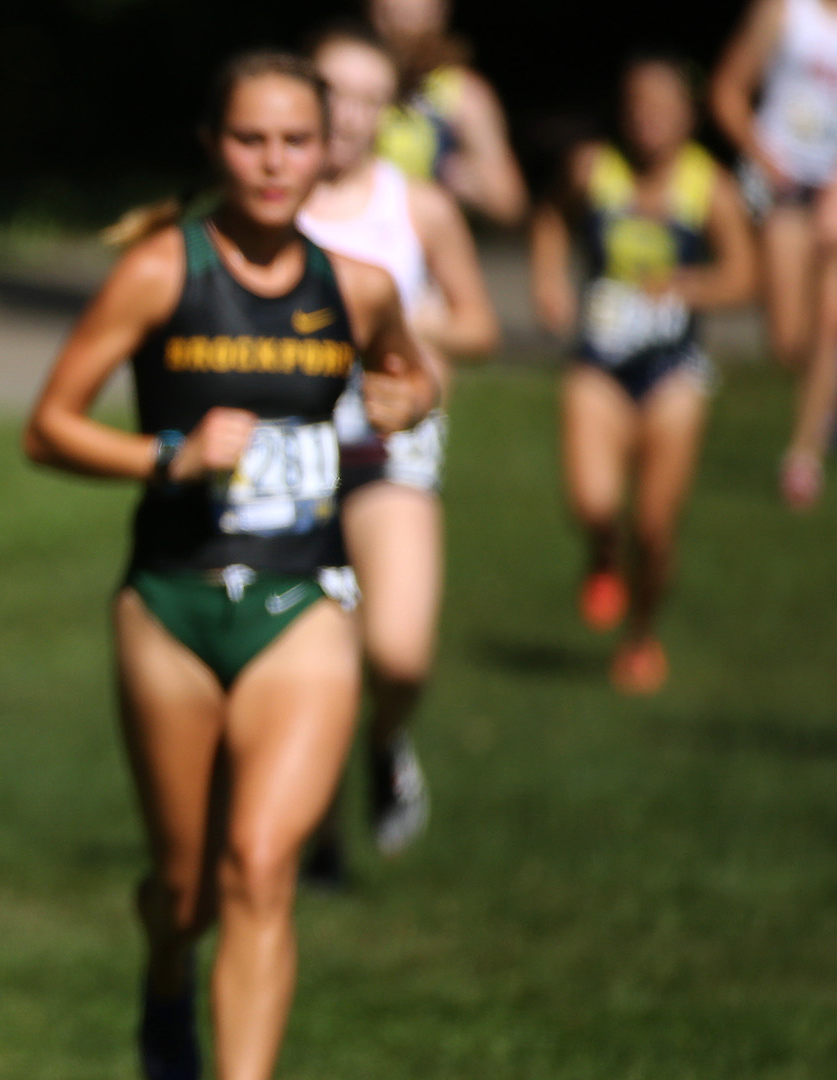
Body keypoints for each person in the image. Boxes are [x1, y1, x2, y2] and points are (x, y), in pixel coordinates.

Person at [24, 51, 437, 1080]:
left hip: (303, 601)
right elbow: (49, 427)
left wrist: (412, 397)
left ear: (328, 149)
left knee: (259, 869)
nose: (275, 161)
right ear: (214, 146)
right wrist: (171, 454)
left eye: (296, 140)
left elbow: (410, 374)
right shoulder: (163, 270)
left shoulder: (359, 286)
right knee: (188, 889)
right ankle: (167, 972)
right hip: (170, 604)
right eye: (252, 139)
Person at [297, 22, 499, 866]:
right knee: (320, 664)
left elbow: (481, 325)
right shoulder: (268, 205)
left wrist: (401, 319)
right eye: (333, 94)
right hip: (293, 460)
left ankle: (386, 743)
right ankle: (319, 836)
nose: (348, 115)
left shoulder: (417, 207)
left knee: (399, 654)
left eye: (370, 99)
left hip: (392, 454)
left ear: (393, 112)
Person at [531, 53, 756, 694]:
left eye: (663, 106)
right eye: (637, 105)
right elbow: (550, 220)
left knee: (655, 527)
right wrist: (549, 281)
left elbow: (745, 275)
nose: (648, 119)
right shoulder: (592, 169)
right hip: (598, 363)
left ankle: (640, 636)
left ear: (689, 115)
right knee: (592, 501)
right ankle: (604, 553)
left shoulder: (708, 186)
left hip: (673, 370)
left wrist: (687, 285)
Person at [713, 0, 837, 506]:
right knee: (788, 341)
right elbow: (726, 91)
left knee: (831, 320)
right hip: (785, 186)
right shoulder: (784, 10)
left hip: (833, 190)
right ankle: (825, 401)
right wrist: (766, 162)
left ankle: (803, 458)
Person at [368, 0, 528, 227]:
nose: (402, 23)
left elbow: (511, 204)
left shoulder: (464, 94)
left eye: (413, 14)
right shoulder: (350, 78)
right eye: (392, 13)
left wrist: (472, 184)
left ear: (439, 13)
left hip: (428, 238)